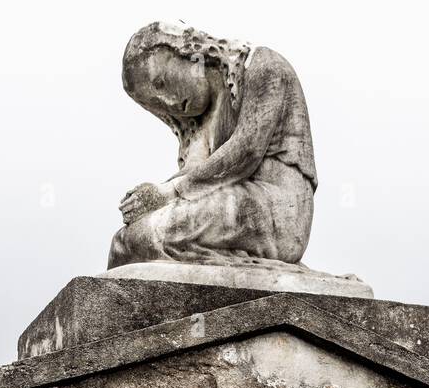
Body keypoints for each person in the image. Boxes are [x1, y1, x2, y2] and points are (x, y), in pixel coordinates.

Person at [108, 21, 317, 269]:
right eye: (156, 103)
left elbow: (246, 152)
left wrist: (167, 192)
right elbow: (190, 177)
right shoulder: (201, 122)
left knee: (153, 234)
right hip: (229, 201)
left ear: (185, 51)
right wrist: (150, 197)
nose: (169, 103)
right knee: (125, 241)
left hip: (276, 212)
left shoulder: (264, 67)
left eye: (161, 84)